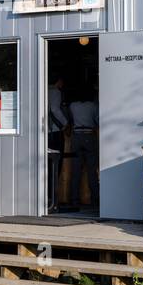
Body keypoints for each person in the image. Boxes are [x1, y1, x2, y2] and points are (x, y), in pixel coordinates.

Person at [67, 90, 99, 210]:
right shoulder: (93, 106)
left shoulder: (73, 106)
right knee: (91, 171)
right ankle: (95, 200)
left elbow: (69, 119)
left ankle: (74, 200)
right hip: (89, 135)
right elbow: (97, 120)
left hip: (76, 136)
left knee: (76, 171)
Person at [47, 74, 71, 211]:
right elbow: (55, 110)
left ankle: (47, 196)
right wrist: (66, 123)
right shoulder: (55, 91)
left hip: (45, 131)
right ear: (58, 80)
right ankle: (53, 198)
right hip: (55, 131)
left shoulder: (43, 89)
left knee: (47, 165)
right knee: (56, 164)